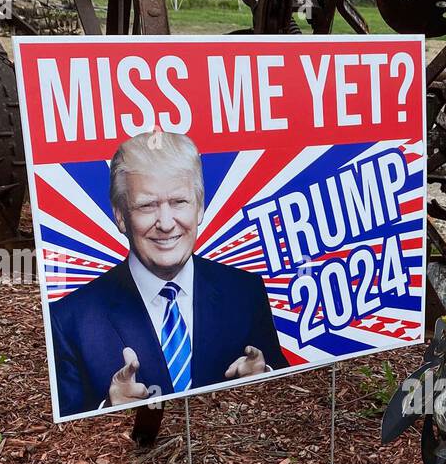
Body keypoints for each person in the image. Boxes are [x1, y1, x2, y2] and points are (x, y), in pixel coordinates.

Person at [48, 130, 286, 418]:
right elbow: (64, 439)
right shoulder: (69, 320)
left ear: (200, 207)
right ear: (121, 216)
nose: (165, 223)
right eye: (147, 205)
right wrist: (109, 412)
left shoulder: (245, 291)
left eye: (179, 202)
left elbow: (284, 398)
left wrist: (264, 376)